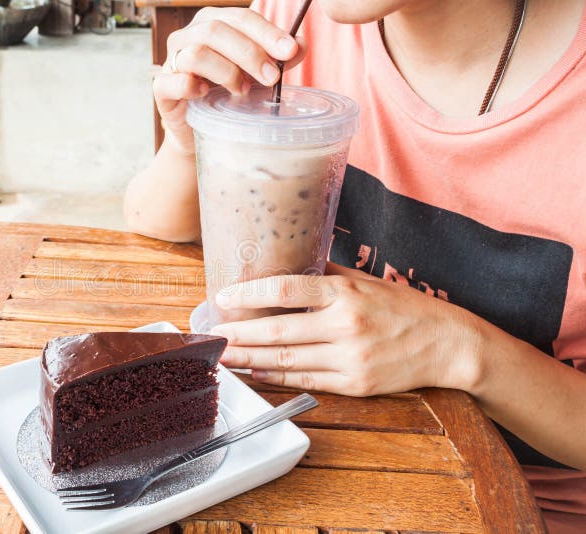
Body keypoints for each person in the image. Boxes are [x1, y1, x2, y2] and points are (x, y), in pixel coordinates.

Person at [123, 1, 586, 531]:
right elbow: (151, 219)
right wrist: (193, 141)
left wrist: (459, 349)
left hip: (523, 509)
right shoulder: (291, 22)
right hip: (306, 456)